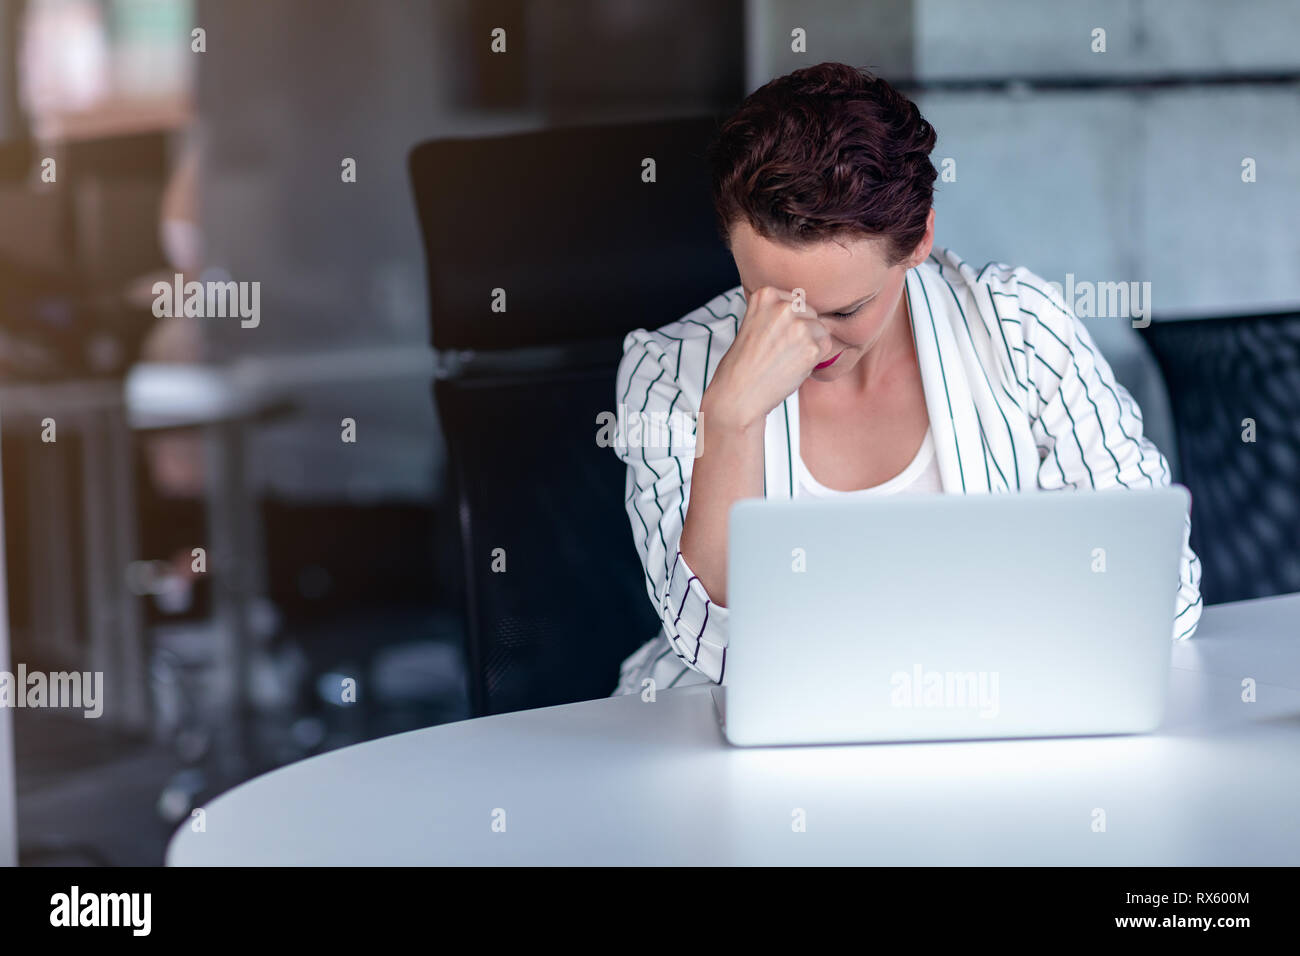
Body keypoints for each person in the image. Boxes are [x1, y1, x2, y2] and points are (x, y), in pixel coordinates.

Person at [611, 63, 1202, 696]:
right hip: (737, 739)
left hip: (990, 716)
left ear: (918, 241)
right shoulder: (670, 373)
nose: (807, 338)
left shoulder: (1021, 330)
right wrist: (729, 420)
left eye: (845, 310)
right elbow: (713, 648)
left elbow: (1160, 595)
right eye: (769, 300)